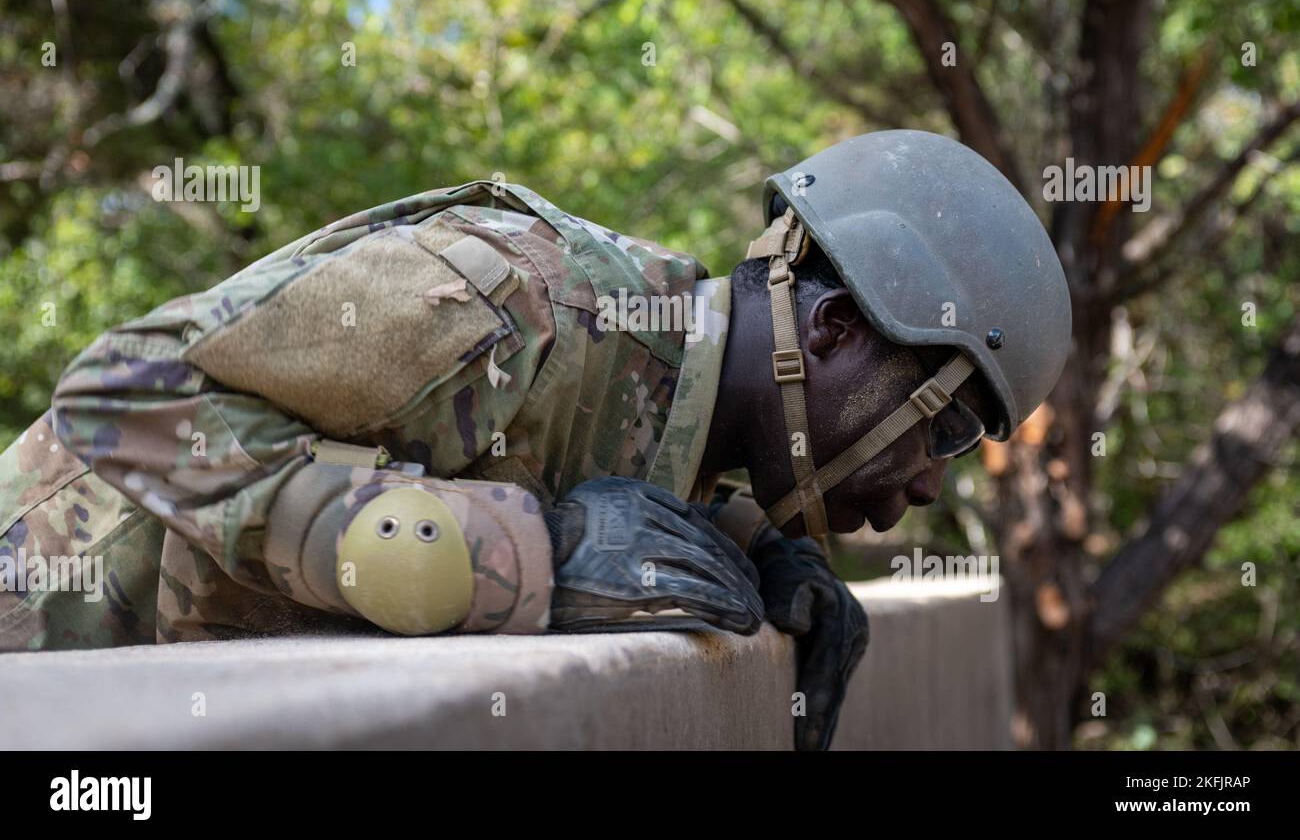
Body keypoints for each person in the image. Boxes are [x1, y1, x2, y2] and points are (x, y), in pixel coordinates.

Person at [0, 129, 1070, 750]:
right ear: (832, 330)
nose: (930, 481)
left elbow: (578, 486)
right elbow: (120, 395)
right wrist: (518, 558)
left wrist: (748, 545)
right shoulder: (520, 296)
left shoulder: (668, 415)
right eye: (949, 421)